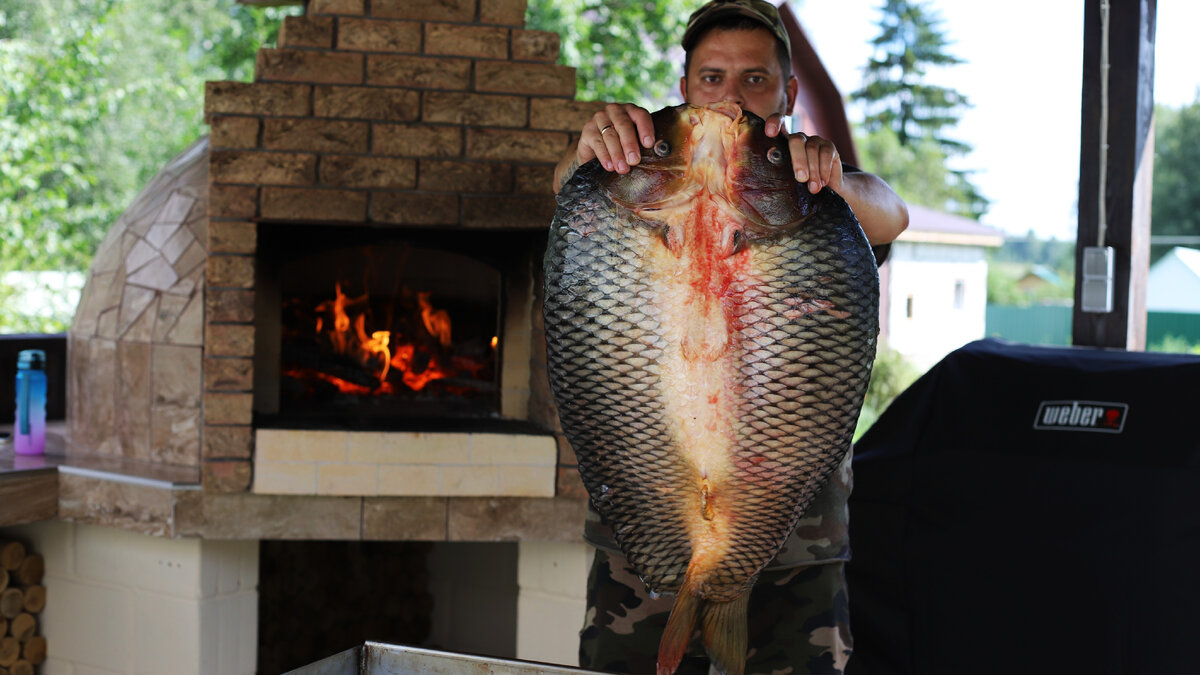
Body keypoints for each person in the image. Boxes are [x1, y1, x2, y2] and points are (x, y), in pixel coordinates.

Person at [554, 2, 909, 674]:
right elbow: (563, 190)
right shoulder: (636, 166)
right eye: (713, 76)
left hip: (799, 538)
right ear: (686, 85)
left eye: (755, 79)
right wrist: (584, 152)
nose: (731, 97)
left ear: (788, 92)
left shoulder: (805, 190)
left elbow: (891, 210)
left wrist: (828, 180)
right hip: (645, 519)